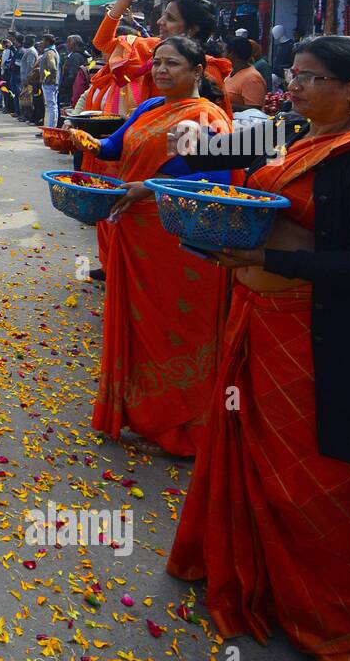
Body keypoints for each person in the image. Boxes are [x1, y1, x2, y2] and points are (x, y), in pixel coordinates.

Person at [167, 36, 350, 661]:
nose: (292, 88)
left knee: (317, 491)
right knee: (261, 471)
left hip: (325, 352)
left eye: (308, 78)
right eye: (290, 76)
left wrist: (273, 263)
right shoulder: (294, 135)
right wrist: (186, 140)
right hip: (262, 333)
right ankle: (268, 589)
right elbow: (195, 157)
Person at [71, 36, 234, 456]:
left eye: (172, 64)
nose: (160, 71)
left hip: (177, 238)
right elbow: (114, 146)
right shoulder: (150, 108)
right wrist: (82, 140)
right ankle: (143, 415)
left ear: (198, 72)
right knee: (138, 328)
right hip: (135, 233)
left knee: (177, 331)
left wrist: (152, 187)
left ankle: (184, 428)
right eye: (157, 64)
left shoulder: (202, 117)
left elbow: (217, 182)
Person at [87, 0, 231, 115]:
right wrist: (122, 2)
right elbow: (102, 42)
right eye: (156, 62)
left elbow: (215, 124)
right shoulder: (149, 47)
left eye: (170, 18)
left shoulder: (209, 70)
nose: (159, 22)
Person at [224, 35, 268, 112]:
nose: (222, 54)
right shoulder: (233, 71)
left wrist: (225, 106)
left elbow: (255, 109)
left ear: (232, 54)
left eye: (224, 51)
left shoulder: (252, 78)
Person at [38, 33, 61, 127]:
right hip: (53, 83)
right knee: (52, 105)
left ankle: (50, 127)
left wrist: (47, 80)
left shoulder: (49, 53)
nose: (41, 43)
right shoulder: (52, 51)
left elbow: (53, 68)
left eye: (43, 41)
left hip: (49, 84)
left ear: (47, 41)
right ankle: (50, 126)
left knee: (50, 106)